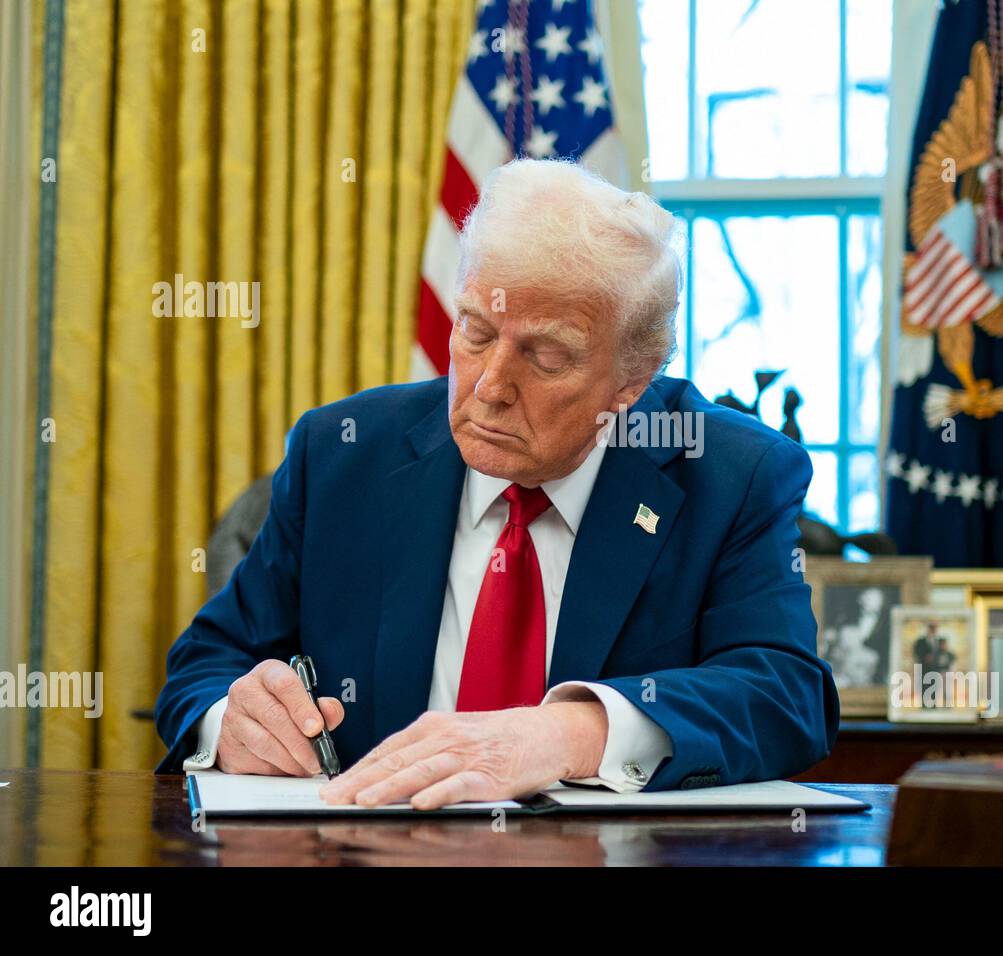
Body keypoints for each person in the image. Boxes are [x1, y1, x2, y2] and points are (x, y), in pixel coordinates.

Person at [154, 158, 839, 809]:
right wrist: (232, 718)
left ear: (634, 377)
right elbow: (207, 662)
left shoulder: (729, 474)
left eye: (544, 355)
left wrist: (566, 734)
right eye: (476, 332)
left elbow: (783, 696)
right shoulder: (342, 456)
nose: (488, 387)